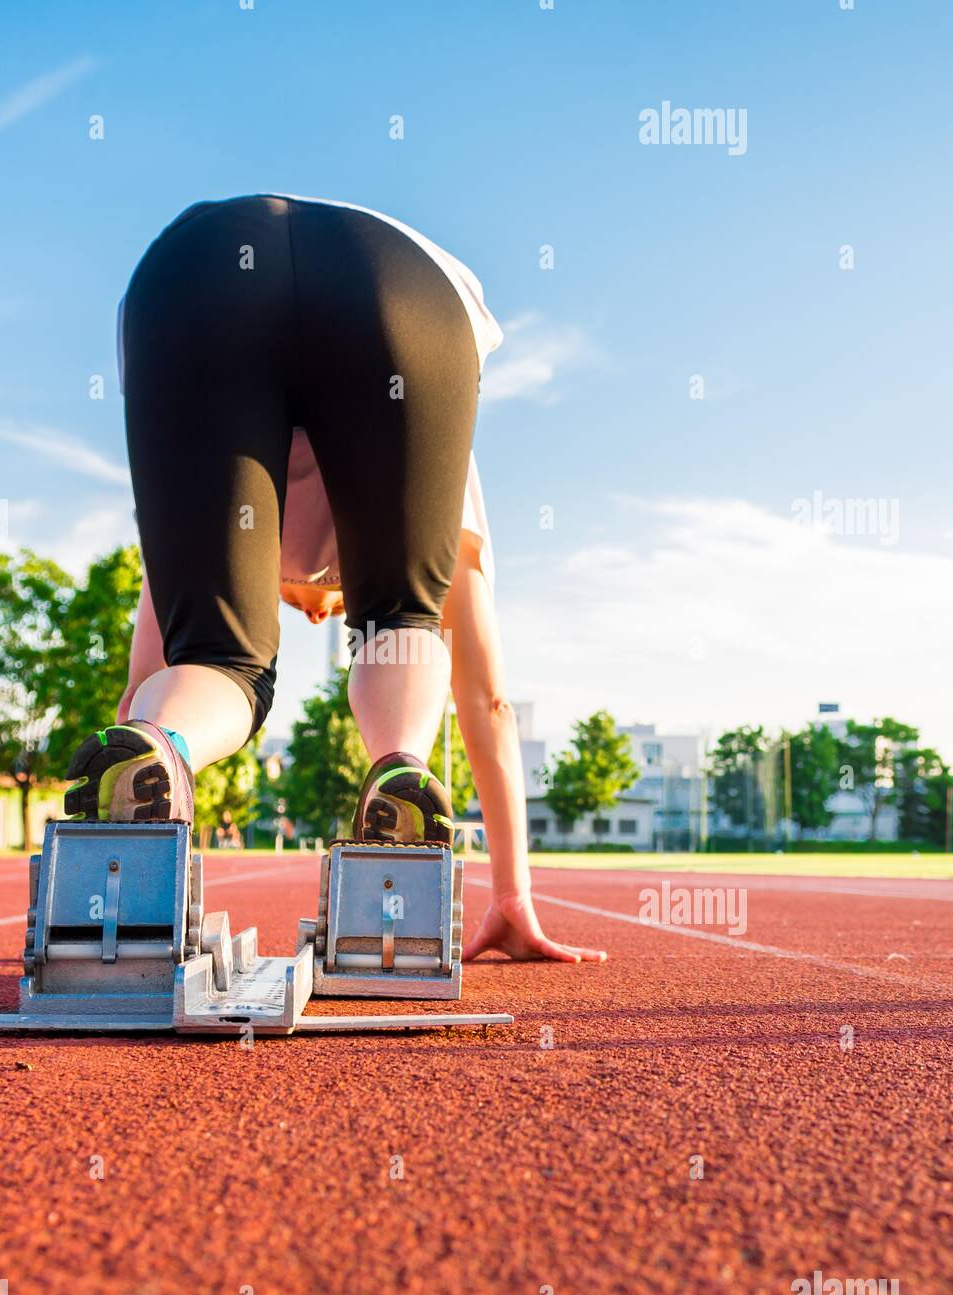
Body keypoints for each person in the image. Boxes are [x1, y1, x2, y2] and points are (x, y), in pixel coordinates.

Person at [64, 193, 588, 962]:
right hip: (397, 282)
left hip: (194, 274)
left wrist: (151, 755)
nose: (316, 616)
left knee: (215, 659)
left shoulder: (219, 529)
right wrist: (511, 894)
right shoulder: (433, 488)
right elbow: (489, 698)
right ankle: (399, 763)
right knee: (398, 624)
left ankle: (174, 747)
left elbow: (146, 685)